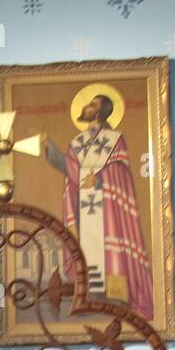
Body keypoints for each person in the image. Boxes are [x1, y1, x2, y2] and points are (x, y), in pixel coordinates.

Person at [43, 89, 155, 319]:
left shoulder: (114, 139)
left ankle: (116, 294)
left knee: (109, 246)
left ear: (101, 111)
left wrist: (101, 178)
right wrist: (50, 151)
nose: (86, 107)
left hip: (109, 206)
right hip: (84, 207)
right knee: (87, 246)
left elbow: (120, 171)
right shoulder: (78, 142)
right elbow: (71, 170)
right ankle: (92, 296)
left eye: (92, 105)